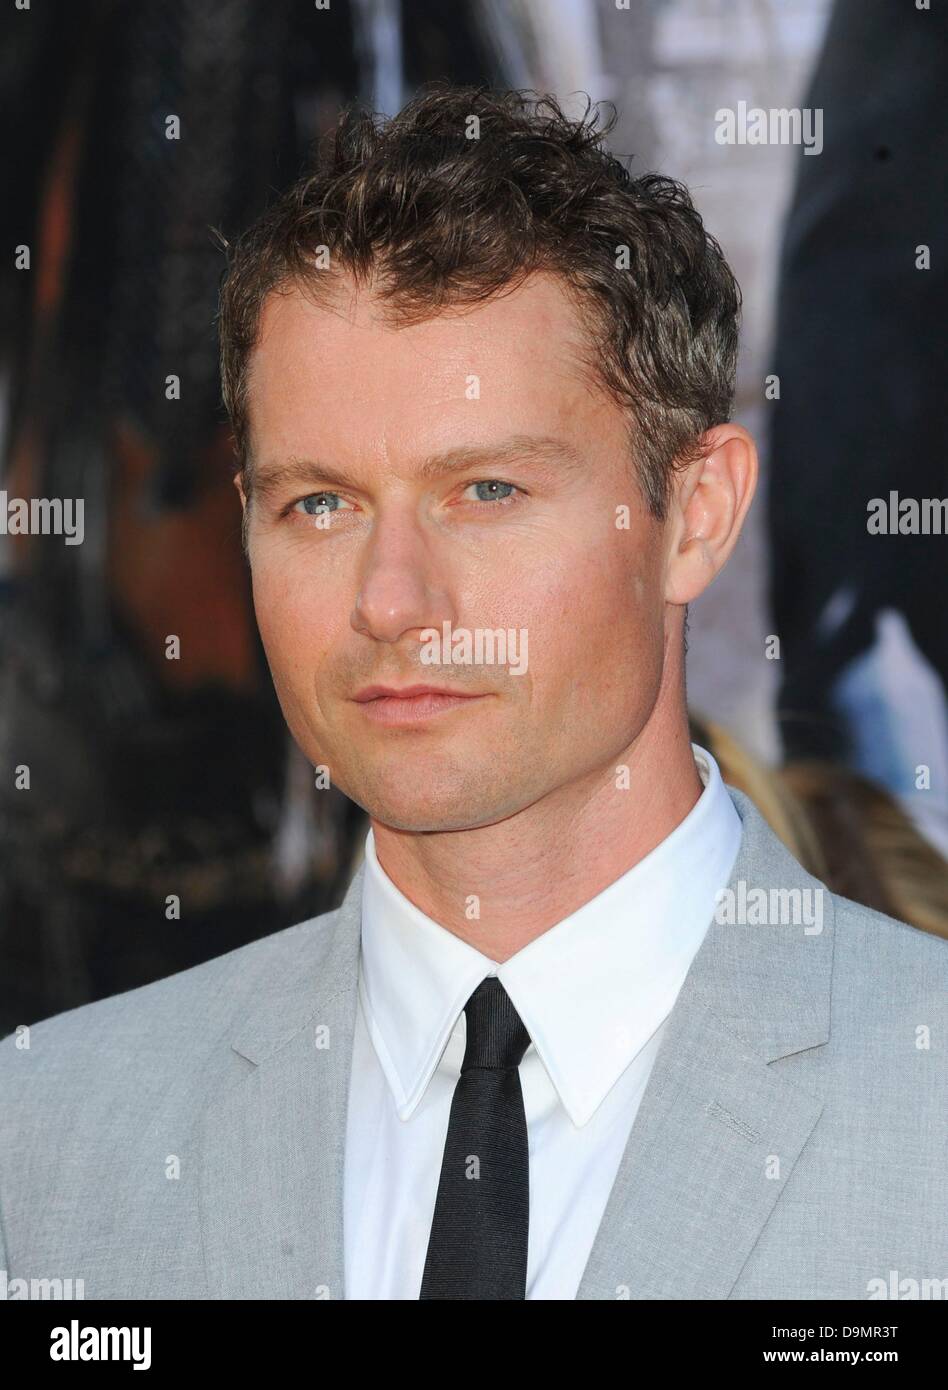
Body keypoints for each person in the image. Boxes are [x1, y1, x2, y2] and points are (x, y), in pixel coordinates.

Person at [1, 85, 945, 1302]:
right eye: (319, 504)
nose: (390, 600)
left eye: (487, 491)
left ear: (695, 516)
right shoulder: (49, 1141)